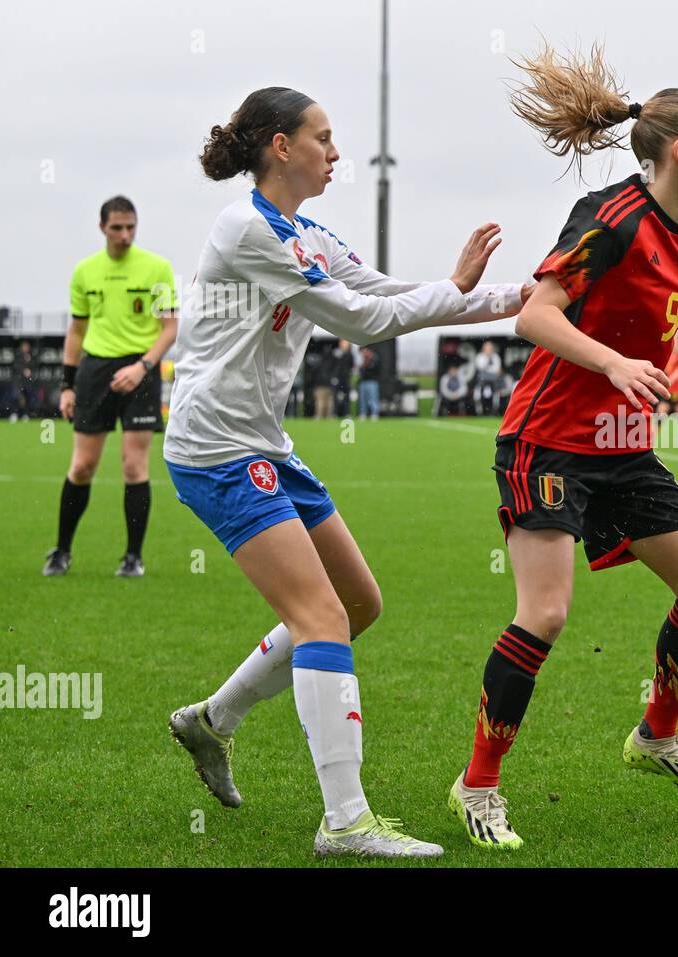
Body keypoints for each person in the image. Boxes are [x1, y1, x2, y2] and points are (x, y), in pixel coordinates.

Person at [162, 87, 529, 858]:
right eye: (323, 139)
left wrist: (520, 298)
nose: (337, 152)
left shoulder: (308, 233)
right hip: (216, 448)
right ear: (278, 146)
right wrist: (460, 289)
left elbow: (390, 294)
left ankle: (211, 720)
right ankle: (345, 822)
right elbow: (362, 323)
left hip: (263, 441)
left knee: (358, 601)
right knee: (321, 618)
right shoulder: (246, 229)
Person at [447, 44, 678, 850]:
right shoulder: (611, 219)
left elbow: (653, 329)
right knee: (545, 612)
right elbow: (536, 315)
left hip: (623, 450)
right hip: (547, 443)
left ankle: (655, 734)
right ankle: (478, 785)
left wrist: (659, 369)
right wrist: (614, 363)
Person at [43, 196, 178, 578]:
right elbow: (77, 330)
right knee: (83, 466)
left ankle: (133, 557)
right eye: (117, 227)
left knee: (134, 467)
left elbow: (170, 329)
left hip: (142, 369)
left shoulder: (158, 268)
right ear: (102, 227)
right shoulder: (85, 271)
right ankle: (62, 552)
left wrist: (142, 367)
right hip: (95, 370)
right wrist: (68, 386)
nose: (125, 235)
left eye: (131, 227)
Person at [357, 346, 381, 419]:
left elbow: (375, 369)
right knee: (362, 399)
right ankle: (363, 413)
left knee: (373, 398)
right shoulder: (362, 360)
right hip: (363, 381)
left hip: (372, 381)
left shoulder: (374, 358)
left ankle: (374, 413)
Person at [331, 339, 354, 417]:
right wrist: (334, 376)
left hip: (346, 378)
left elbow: (351, 365)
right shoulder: (336, 353)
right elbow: (333, 365)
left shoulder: (349, 354)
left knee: (346, 397)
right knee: (335, 397)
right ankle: (335, 413)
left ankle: (346, 413)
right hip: (338, 378)